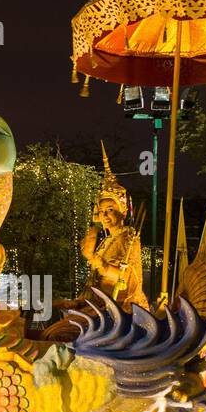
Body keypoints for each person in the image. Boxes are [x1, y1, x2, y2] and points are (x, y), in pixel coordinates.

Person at [43, 144, 148, 341]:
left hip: (118, 309)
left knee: (59, 335)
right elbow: (95, 283)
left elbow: (125, 278)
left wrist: (97, 262)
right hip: (97, 306)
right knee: (52, 332)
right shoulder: (105, 241)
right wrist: (75, 302)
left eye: (110, 209)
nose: (105, 215)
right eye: (101, 211)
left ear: (122, 210)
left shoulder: (129, 237)